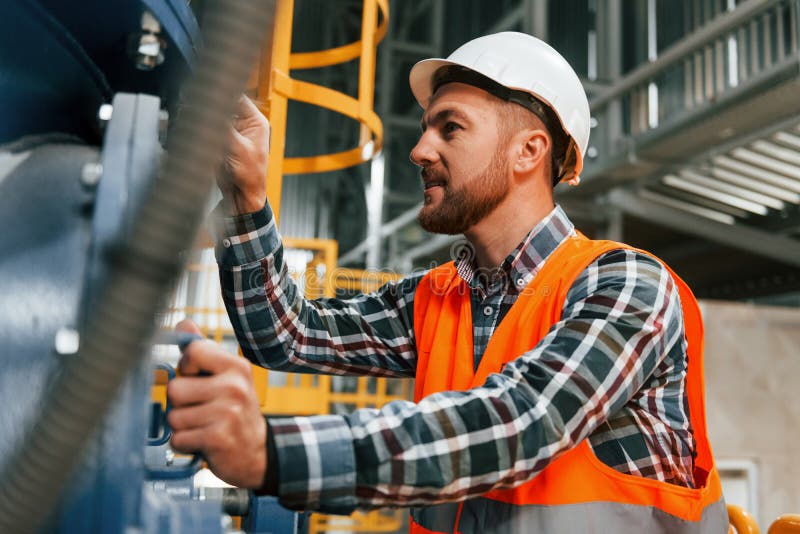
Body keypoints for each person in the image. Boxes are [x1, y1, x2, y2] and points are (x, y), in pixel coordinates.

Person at [167, 32, 728, 532]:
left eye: (450, 128)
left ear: (528, 151)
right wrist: (246, 201)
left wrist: (270, 451)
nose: (419, 150)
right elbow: (286, 334)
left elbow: (523, 423)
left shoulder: (627, 283)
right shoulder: (437, 297)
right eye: (425, 129)